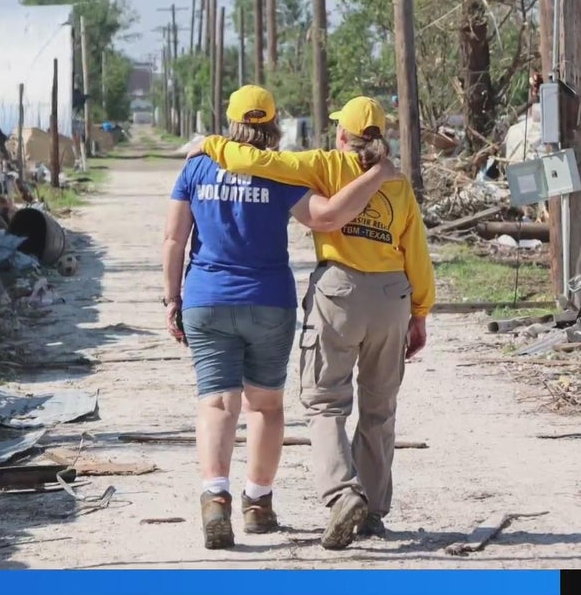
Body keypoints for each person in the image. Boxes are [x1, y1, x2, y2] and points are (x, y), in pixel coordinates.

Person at [162, 85, 401, 550]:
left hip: (207, 299)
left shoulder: (196, 166)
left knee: (217, 403)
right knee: (265, 406)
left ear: (231, 122)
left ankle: (215, 498)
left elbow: (174, 238)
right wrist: (379, 175)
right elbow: (326, 217)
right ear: (272, 125)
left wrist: (172, 297)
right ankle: (258, 504)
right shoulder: (279, 172)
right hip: (269, 300)